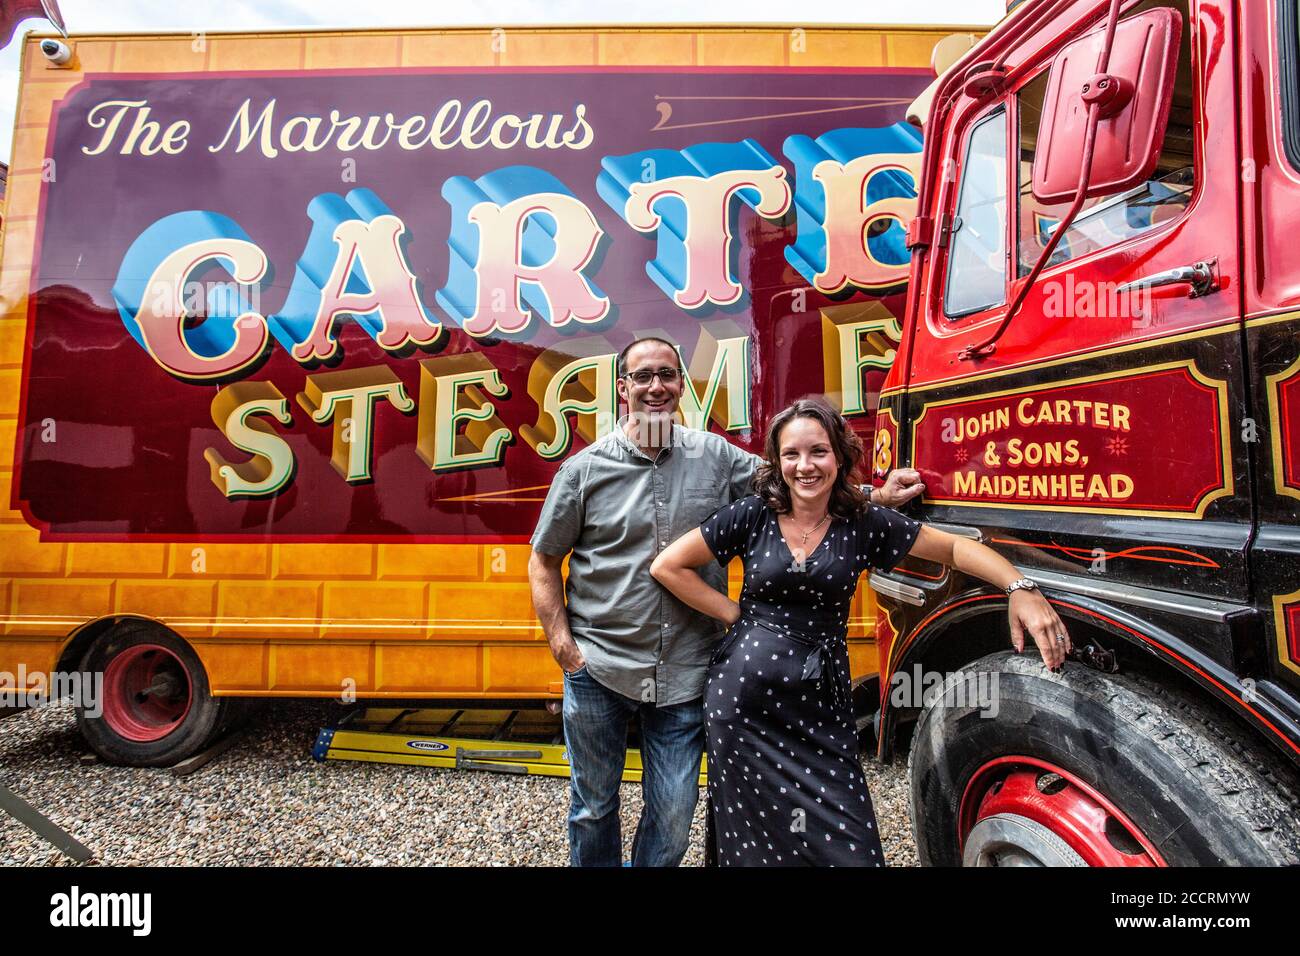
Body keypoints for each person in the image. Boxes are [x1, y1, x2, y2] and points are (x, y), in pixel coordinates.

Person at [528, 337, 923, 867]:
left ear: (680, 386)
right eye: (642, 376)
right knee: (593, 808)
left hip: (688, 672)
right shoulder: (584, 471)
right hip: (600, 668)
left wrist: (874, 497)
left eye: (667, 375)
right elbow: (543, 559)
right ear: (622, 389)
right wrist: (564, 648)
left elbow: (799, 485)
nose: (655, 387)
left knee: (672, 815)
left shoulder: (714, 456)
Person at [650, 397, 1071, 866]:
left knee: (847, 838)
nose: (804, 466)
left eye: (818, 452)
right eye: (791, 455)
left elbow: (954, 550)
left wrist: (1019, 586)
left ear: (840, 456)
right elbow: (669, 565)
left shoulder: (864, 523)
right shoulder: (752, 515)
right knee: (753, 839)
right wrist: (738, 619)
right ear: (777, 461)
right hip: (744, 708)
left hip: (821, 707)